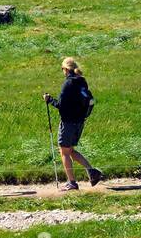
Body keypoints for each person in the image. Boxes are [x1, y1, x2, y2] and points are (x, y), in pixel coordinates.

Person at [44, 57, 103, 191]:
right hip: (79, 122)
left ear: (65, 69)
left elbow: (61, 105)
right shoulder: (82, 81)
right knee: (70, 150)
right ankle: (92, 171)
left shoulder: (68, 84)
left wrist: (49, 100)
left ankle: (72, 182)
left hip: (68, 123)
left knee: (64, 151)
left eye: (62, 69)